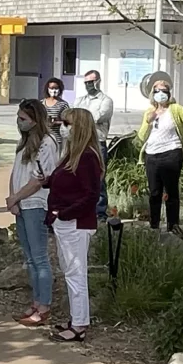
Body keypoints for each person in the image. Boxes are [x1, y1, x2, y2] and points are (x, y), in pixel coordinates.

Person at [44, 106, 103, 343]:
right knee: (70, 272)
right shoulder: (72, 154)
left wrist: (65, 213)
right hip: (65, 220)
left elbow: (90, 195)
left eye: (67, 124)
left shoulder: (87, 156)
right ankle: (76, 318)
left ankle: (79, 324)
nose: (63, 128)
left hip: (76, 223)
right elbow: (68, 183)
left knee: (76, 274)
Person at [3, 99, 63, 328]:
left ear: (36, 120)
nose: (19, 123)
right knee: (29, 258)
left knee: (39, 258)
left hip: (35, 205)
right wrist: (12, 198)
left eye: (23, 119)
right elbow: (15, 172)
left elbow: (39, 179)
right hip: (20, 204)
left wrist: (17, 197)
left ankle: (44, 305)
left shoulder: (47, 144)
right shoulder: (23, 142)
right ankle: (36, 301)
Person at [136, 74, 183, 233]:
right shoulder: (149, 112)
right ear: (153, 94)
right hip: (152, 155)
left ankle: (173, 226)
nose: (161, 94)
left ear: (169, 94)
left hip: (171, 154)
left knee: (171, 192)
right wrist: (148, 121)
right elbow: (141, 136)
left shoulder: (176, 109)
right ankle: (154, 226)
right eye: (157, 91)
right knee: (154, 193)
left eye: (164, 91)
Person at [75, 67, 116, 141]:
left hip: (97, 142)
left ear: (98, 82)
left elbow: (98, 118)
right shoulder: (79, 100)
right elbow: (73, 117)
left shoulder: (106, 101)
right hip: (81, 141)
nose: (88, 85)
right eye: (86, 83)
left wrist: (79, 117)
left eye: (90, 82)